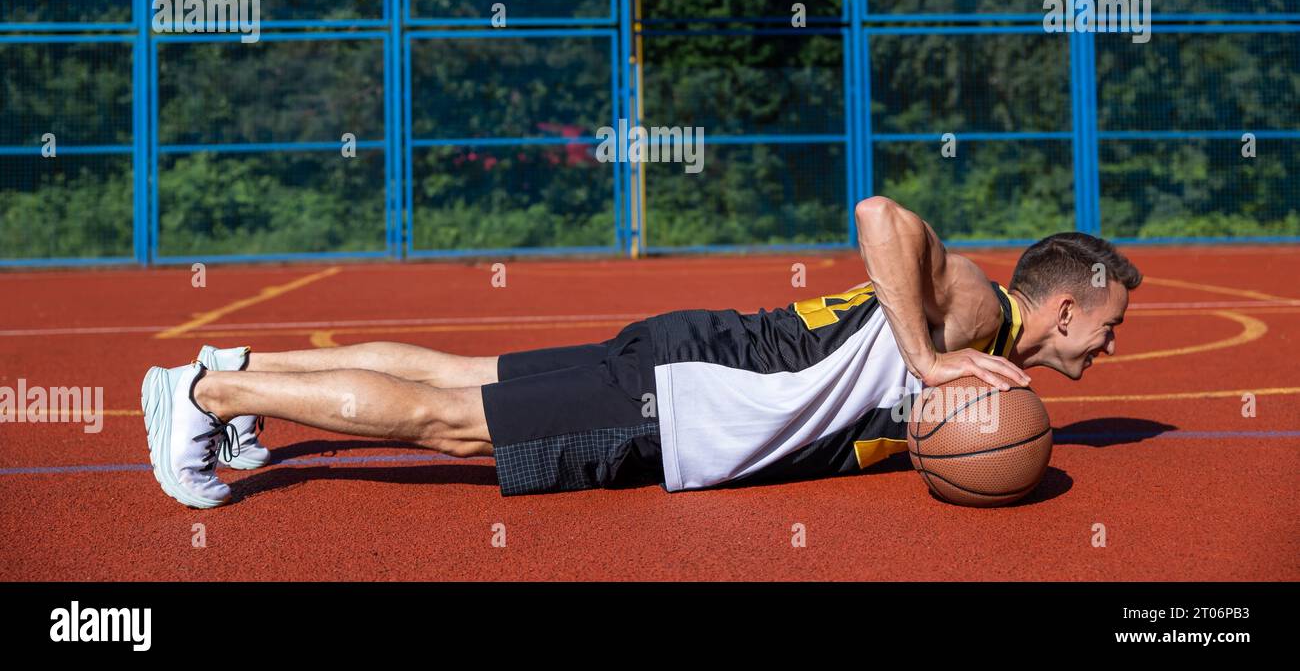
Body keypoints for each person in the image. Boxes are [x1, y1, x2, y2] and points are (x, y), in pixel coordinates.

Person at [141, 196, 1141, 508]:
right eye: (1107, 322)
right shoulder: (973, 307)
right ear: (1060, 307)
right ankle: (207, 392)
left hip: (694, 362)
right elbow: (884, 213)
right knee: (454, 425)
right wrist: (926, 362)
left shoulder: (988, 337)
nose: (1109, 341)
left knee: (460, 376)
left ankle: (237, 367)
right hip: (694, 390)